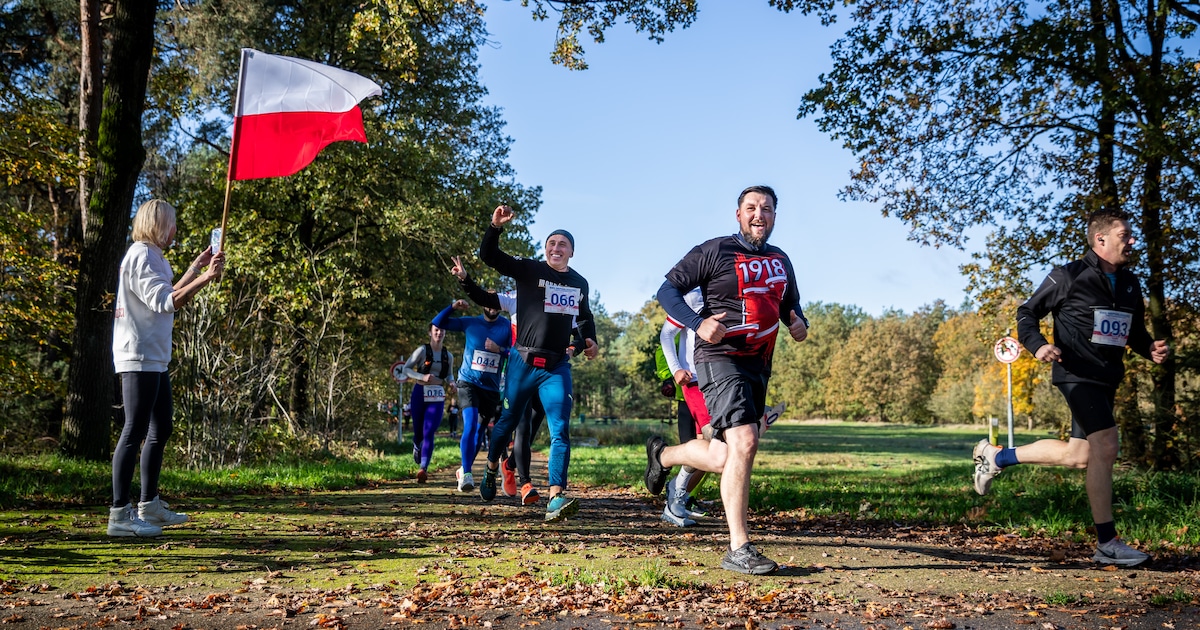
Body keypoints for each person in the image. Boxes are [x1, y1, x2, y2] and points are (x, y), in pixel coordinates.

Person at [974, 209, 1170, 567]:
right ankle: (1107, 542)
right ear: (1101, 240)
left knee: (1079, 456)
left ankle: (996, 457)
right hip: (1075, 374)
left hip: (1106, 376)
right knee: (1107, 446)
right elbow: (1026, 312)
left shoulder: (1130, 283)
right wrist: (1038, 345)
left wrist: (1149, 348)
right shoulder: (1068, 276)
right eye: (1125, 235)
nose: (1131, 241)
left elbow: (1132, 331)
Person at [646, 185, 807, 574]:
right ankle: (739, 548)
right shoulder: (714, 250)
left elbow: (788, 301)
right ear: (738, 214)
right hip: (719, 358)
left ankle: (663, 456)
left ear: (774, 217)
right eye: (751, 207)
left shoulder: (781, 259)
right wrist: (699, 324)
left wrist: (797, 320)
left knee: (722, 455)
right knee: (746, 441)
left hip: (758, 364)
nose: (759, 214)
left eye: (767, 209)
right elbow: (666, 291)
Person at [109, 199, 225, 537]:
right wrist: (206, 278)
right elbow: (167, 302)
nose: (174, 230)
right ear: (158, 224)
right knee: (134, 431)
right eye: (171, 223)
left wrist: (193, 268)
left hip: (155, 358)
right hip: (140, 355)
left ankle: (149, 504)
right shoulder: (142, 256)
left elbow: (165, 293)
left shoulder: (154, 257)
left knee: (162, 428)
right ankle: (120, 514)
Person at [476, 204, 598, 522]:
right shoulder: (529, 271)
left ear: (571, 251)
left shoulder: (579, 283)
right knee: (507, 422)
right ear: (545, 250)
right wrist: (495, 226)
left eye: (562, 244)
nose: (556, 248)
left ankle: (556, 496)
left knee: (560, 428)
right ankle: (491, 468)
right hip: (522, 362)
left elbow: (584, 317)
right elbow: (489, 256)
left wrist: (590, 339)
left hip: (556, 366)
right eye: (551, 244)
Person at [431, 295, 512, 493]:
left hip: (491, 389)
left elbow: (517, 351)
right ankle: (467, 472)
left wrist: (499, 349)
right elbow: (437, 323)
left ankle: (463, 470)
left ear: (500, 306)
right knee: (470, 423)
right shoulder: (471, 323)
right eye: (489, 303)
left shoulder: (508, 327)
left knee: (478, 432)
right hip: (468, 382)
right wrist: (453, 306)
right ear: (483, 304)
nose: (492, 308)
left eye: (496, 304)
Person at [403, 325, 455, 483]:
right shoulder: (422, 351)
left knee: (429, 431)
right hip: (420, 392)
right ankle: (416, 444)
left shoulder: (448, 355)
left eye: (442, 330)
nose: (439, 333)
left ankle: (423, 468)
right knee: (418, 431)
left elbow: (449, 374)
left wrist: (452, 382)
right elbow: (406, 369)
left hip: (437, 395)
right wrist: (421, 376)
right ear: (430, 333)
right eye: (436, 330)